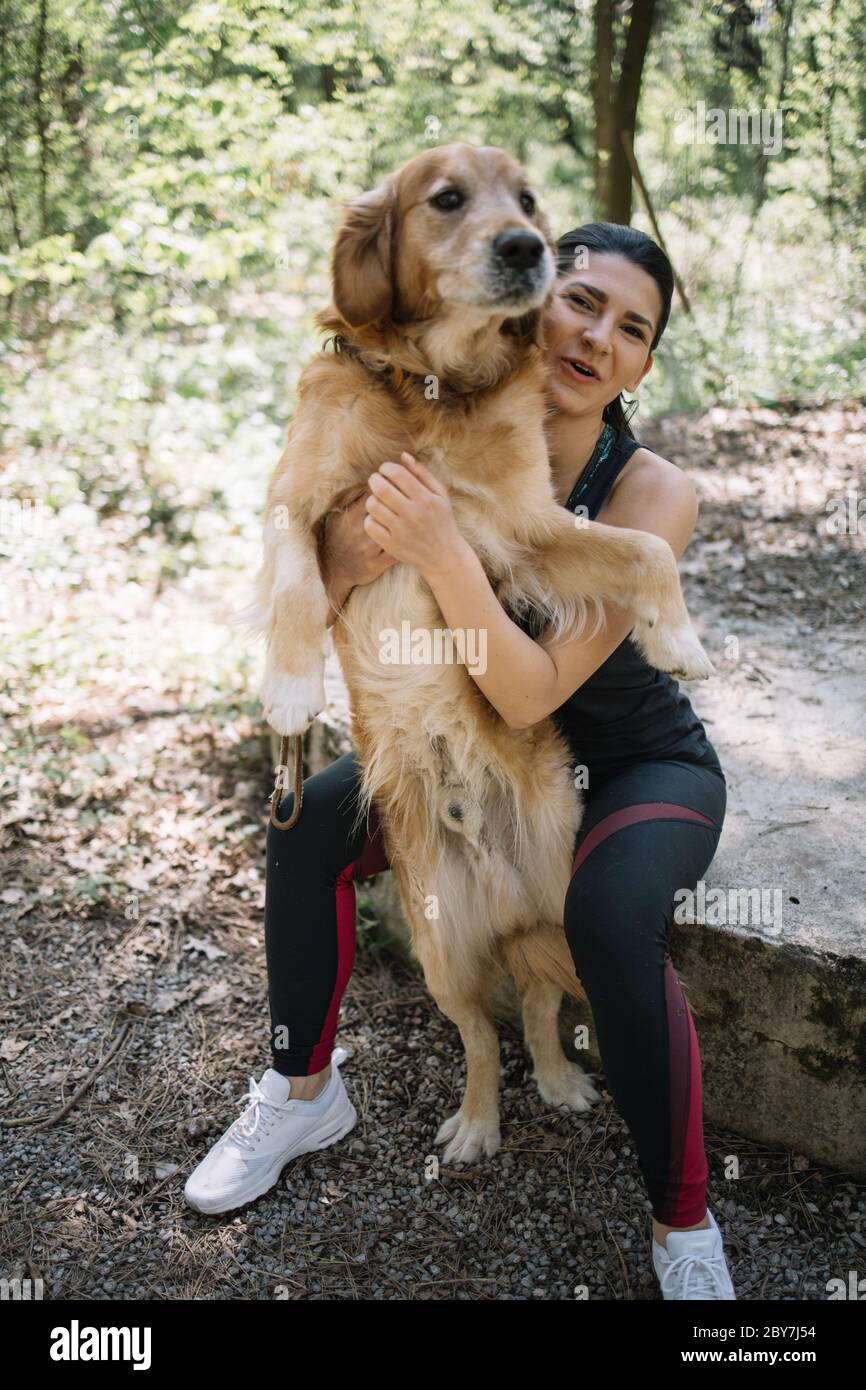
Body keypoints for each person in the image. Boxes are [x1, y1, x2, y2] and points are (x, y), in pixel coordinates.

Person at [185, 222, 736, 1301]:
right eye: (580, 302)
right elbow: (333, 566)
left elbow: (530, 688)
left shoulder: (650, 492)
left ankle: (683, 1221)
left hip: (626, 762)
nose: (595, 338)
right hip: (475, 749)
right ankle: (302, 1094)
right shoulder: (445, 418)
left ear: (644, 364)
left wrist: (441, 545)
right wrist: (355, 544)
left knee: (609, 918)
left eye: (632, 330)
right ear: (528, 301)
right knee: (303, 826)